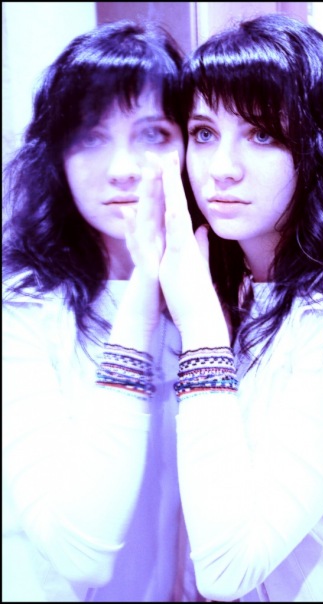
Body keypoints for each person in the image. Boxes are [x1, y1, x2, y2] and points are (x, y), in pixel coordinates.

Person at [152, 13, 323, 602]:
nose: (222, 168)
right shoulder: (240, 282)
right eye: (204, 134)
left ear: (318, 149)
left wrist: (202, 332)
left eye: (262, 135)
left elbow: (227, 569)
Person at [2, 19, 201, 602]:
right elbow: (78, 553)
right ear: (57, 156)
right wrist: (142, 291)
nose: (121, 168)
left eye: (153, 133)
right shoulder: (23, 307)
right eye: (90, 137)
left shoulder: (212, 298)